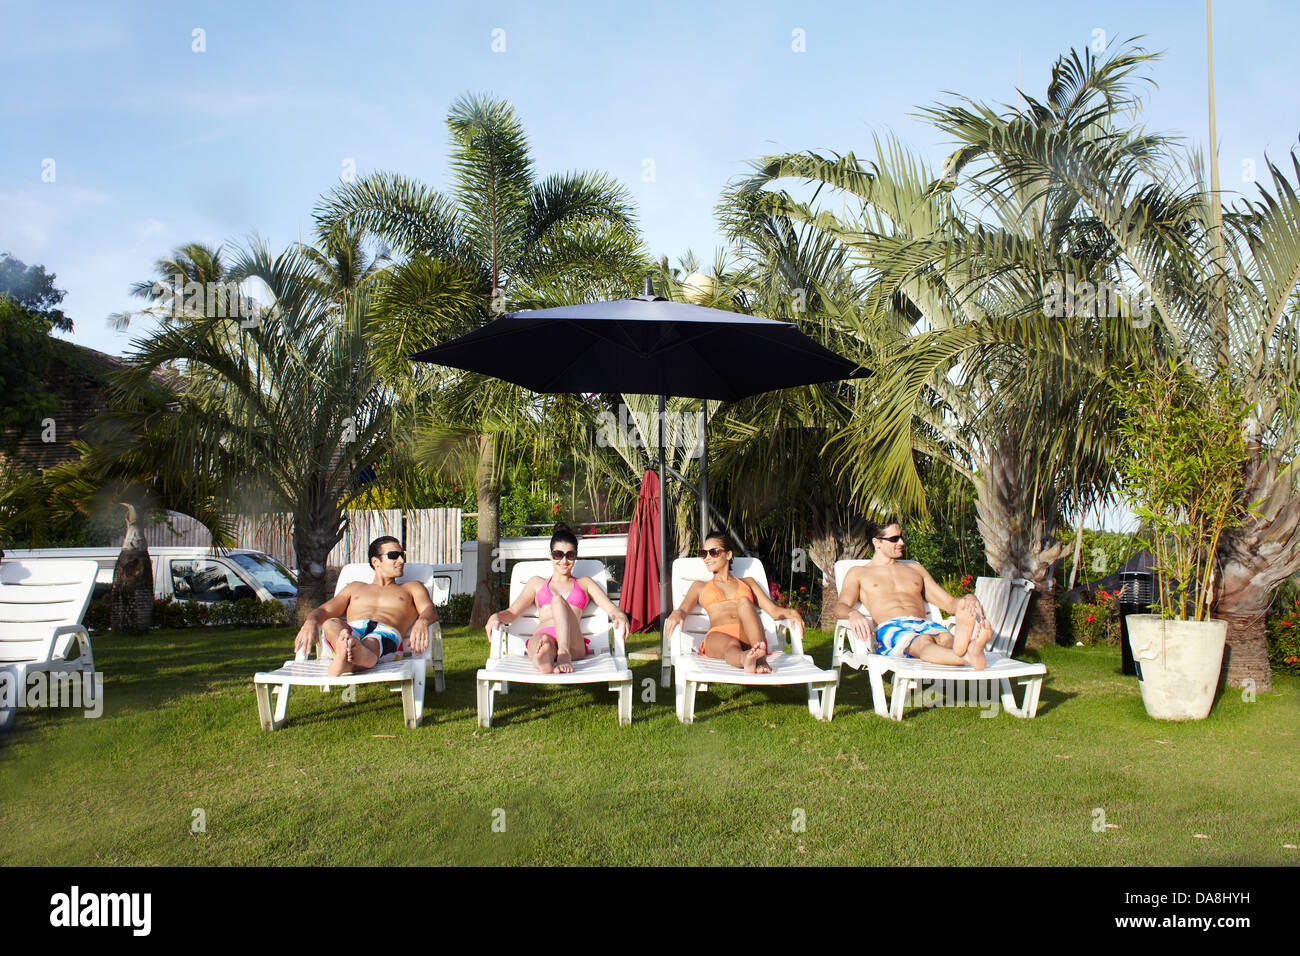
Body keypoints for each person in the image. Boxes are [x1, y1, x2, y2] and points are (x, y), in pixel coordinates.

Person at [834, 519, 993, 669]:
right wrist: (852, 613)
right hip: (891, 627)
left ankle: (968, 651)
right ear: (877, 542)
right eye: (894, 539)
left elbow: (949, 603)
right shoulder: (859, 573)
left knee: (946, 639)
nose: (901, 542)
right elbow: (840, 607)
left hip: (924, 624)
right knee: (922, 642)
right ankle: (969, 654)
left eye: (901, 537)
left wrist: (967, 600)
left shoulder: (915, 569)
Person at [485, 523, 630, 674]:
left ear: (576, 556)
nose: (564, 560)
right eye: (558, 554)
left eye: (570, 555)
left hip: (572, 643)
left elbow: (610, 608)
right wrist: (496, 617)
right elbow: (512, 612)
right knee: (543, 643)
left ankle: (562, 653)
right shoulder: (536, 583)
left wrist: (619, 614)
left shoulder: (585, 584)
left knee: (557, 600)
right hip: (544, 633)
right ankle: (545, 659)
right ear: (550, 554)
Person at [293, 536, 437, 677]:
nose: (401, 560)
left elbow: (429, 609)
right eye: (394, 555)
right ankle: (346, 649)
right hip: (352, 631)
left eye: (402, 555)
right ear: (375, 561)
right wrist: (311, 621)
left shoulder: (411, 588)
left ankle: (346, 657)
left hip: (386, 633)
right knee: (331, 623)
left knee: (372, 641)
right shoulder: (355, 587)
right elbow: (324, 610)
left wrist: (423, 621)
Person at [663, 532, 804, 674]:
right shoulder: (699, 586)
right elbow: (682, 610)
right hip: (719, 635)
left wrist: (791, 612)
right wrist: (676, 614)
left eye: (714, 552)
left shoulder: (748, 583)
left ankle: (759, 658)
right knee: (731, 645)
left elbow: (773, 610)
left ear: (728, 555)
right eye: (703, 553)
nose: (708, 558)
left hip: (748, 636)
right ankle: (745, 659)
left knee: (744, 602)